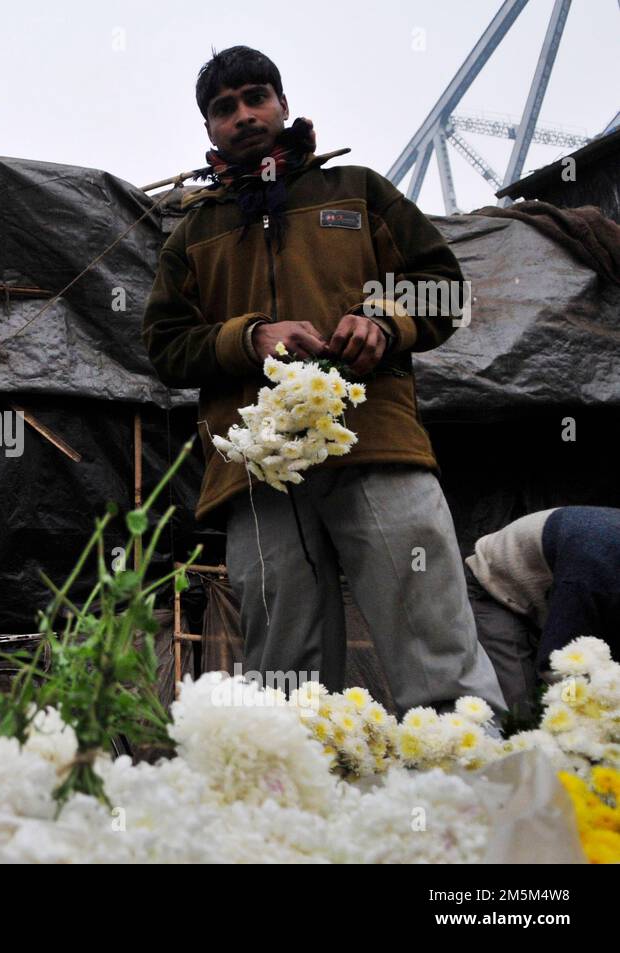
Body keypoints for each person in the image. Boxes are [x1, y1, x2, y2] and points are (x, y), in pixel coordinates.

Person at [141, 46, 506, 718]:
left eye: (256, 98)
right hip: (259, 473)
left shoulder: (358, 191)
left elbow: (444, 289)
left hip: (374, 446)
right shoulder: (193, 231)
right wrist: (249, 337)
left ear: (282, 104)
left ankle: (468, 787)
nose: (244, 116)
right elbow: (163, 346)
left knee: (433, 639)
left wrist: (384, 322)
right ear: (209, 130)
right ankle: (308, 802)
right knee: (287, 680)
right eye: (225, 109)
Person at [466, 506, 620, 718]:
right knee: (521, 715)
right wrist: (584, 724)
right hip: (496, 588)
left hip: (555, 583)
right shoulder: (590, 571)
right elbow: (557, 663)